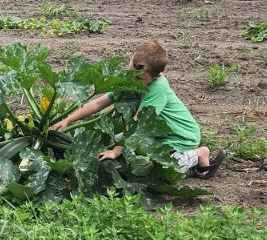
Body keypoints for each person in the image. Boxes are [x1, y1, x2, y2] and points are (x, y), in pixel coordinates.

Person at [51, 39, 225, 178]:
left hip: (179, 136)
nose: (135, 81)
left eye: (140, 80)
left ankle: (199, 154)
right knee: (111, 141)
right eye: (133, 75)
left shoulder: (158, 88)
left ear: (156, 76)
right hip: (156, 133)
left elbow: (138, 123)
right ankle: (188, 162)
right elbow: (98, 103)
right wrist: (68, 119)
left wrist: (116, 150)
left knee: (160, 168)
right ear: (131, 60)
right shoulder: (131, 78)